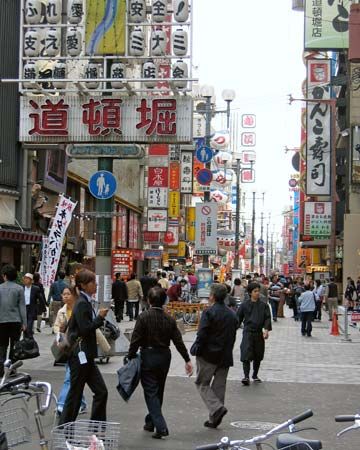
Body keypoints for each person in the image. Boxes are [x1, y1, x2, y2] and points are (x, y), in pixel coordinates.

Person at [127, 287, 193, 439]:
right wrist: (187, 359)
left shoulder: (143, 317)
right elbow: (178, 341)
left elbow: (135, 339)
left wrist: (130, 356)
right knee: (158, 389)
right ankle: (150, 422)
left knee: (150, 391)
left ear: (149, 300)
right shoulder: (169, 319)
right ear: (164, 301)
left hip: (148, 355)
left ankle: (161, 426)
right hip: (164, 356)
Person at [58, 269, 109, 426]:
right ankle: (64, 427)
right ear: (83, 285)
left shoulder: (84, 301)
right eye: (92, 282)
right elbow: (85, 328)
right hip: (80, 356)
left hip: (86, 356)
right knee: (75, 394)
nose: (96, 285)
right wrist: (100, 317)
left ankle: (96, 427)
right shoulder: (81, 303)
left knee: (101, 391)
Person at [192, 284, 238, 429]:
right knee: (219, 386)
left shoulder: (209, 312)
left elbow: (202, 333)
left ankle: (216, 409)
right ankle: (214, 418)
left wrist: (196, 347)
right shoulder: (232, 314)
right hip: (225, 355)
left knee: (202, 383)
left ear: (212, 296)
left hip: (208, 354)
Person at [54, 286, 87, 416]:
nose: (66, 296)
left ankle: (61, 405)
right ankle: (82, 403)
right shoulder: (61, 312)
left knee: (69, 378)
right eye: (64, 294)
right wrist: (60, 332)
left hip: (79, 348)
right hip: (67, 348)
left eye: (68, 294)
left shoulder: (79, 308)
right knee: (74, 378)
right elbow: (56, 326)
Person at [237, 282, 272, 385]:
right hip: (247, 332)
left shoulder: (263, 305)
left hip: (258, 333)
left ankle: (255, 375)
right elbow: (238, 318)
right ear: (250, 293)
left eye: (258, 291)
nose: (257, 293)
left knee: (258, 354)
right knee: (246, 354)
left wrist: (266, 330)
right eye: (255, 291)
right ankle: (246, 377)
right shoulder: (244, 305)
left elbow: (267, 318)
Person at [0, 265, 26, 377]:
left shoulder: (0, 288)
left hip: (1, 321)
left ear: (5, 276)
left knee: (2, 346)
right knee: (14, 346)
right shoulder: (19, 288)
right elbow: (22, 307)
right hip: (15, 321)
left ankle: (1, 369)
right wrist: (24, 323)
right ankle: (11, 369)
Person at [23, 273, 43, 338]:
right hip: (23, 308)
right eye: (24, 278)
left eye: (27, 278)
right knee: (24, 327)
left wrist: (43, 308)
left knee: (29, 326)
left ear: (31, 280)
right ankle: (25, 339)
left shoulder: (35, 288)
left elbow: (41, 298)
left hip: (31, 309)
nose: (25, 280)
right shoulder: (21, 288)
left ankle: (29, 339)